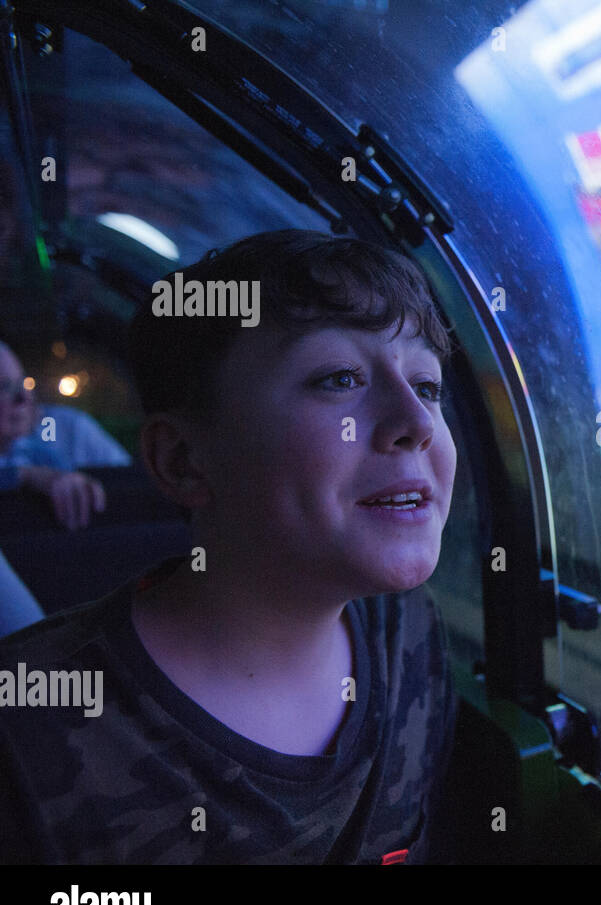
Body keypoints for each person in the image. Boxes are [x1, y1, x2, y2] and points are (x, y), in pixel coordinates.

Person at [0, 230, 460, 862]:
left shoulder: (407, 631)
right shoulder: (28, 727)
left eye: (428, 385)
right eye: (339, 377)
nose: (417, 423)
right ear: (185, 461)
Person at [0, 340, 129, 530]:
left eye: (23, 383)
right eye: (3, 388)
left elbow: (130, 486)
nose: (24, 398)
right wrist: (26, 476)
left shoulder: (67, 427)